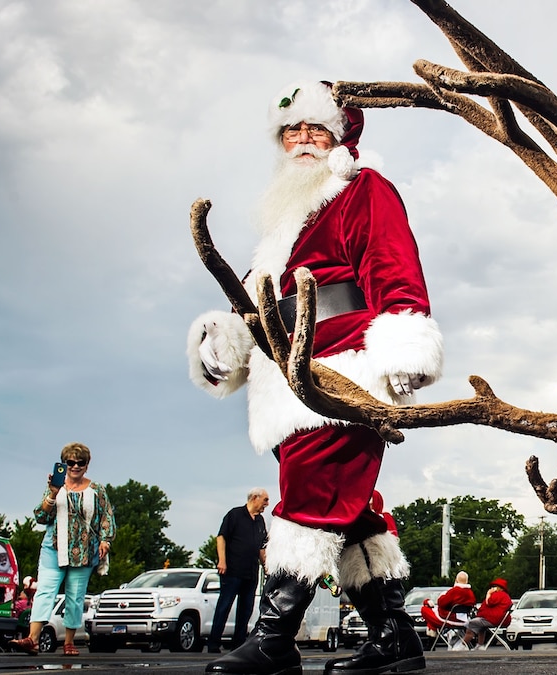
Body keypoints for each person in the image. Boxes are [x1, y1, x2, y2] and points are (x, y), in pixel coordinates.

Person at [187, 80, 443, 675]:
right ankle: (395, 638)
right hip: (286, 381)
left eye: (314, 129)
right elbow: (257, 305)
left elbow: (392, 264)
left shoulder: (361, 190)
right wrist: (225, 344)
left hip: (343, 370)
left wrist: (403, 348)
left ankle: (275, 639)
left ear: (339, 136)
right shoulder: (281, 224)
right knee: (347, 509)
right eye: (291, 131)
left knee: (310, 500)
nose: (302, 140)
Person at [9, 442, 115, 657]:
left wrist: (106, 540)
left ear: (87, 465)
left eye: (80, 462)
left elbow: (107, 517)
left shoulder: (97, 490)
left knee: (75, 597)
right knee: (45, 591)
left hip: (84, 551)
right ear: (64, 464)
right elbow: (41, 517)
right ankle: (33, 639)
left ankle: (68, 642)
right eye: (70, 462)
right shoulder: (56, 487)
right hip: (53, 547)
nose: (75, 466)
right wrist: (52, 494)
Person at [206, 488, 270, 653]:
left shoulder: (260, 521)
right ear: (255, 498)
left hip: (251, 572)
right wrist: (222, 560)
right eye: (265, 500)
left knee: (246, 608)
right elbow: (221, 537)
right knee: (224, 605)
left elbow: (261, 547)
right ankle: (213, 643)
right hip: (233, 570)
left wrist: (266, 566)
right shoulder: (235, 515)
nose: (267, 504)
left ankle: (238, 644)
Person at [462, 578, 512, 650]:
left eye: (494, 587)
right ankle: (480, 645)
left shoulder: (498, 595)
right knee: (481, 626)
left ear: (498, 588)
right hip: (501, 620)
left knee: (472, 623)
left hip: (493, 619)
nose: (491, 588)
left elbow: (489, 602)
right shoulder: (506, 596)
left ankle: (463, 645)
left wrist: (488, 593)